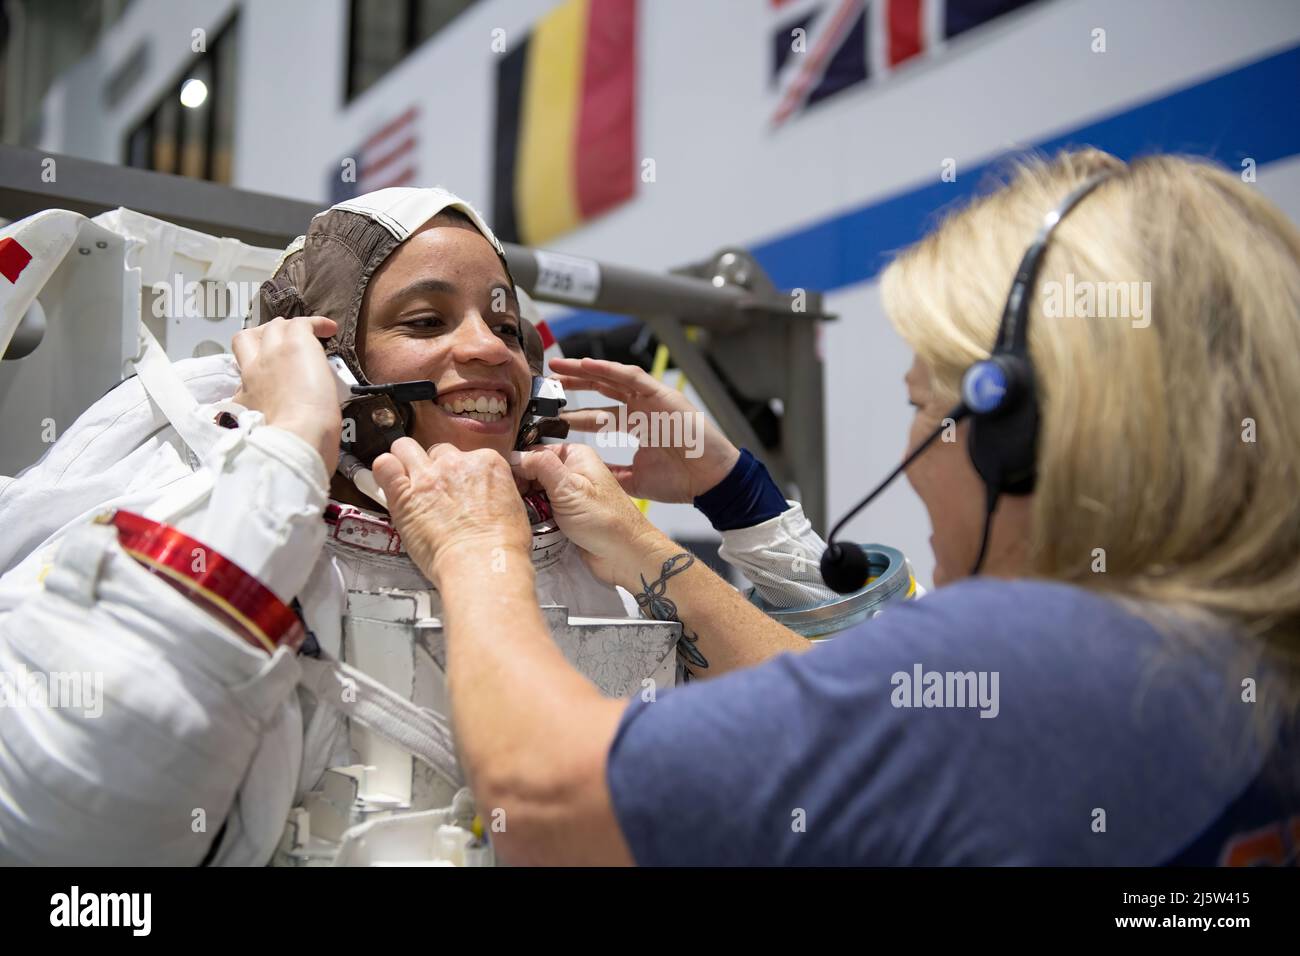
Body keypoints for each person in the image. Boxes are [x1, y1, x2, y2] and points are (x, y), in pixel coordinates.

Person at [368, 150, 1300, 865]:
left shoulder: (1034, 659)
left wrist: (476, 553)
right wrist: (711, 499)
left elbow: (543, 794)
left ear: (1017, 427)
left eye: (919, 410)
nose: (484, 351)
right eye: (422, 322)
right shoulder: (1233, 652)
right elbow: (843, 696)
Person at [0, 186, 840, 865]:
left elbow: (858, 749)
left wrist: (739, 495)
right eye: (427, 321)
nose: (490, 349)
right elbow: (83, 821)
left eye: (507, 325)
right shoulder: (203, 522)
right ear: (325, 363)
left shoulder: (598, 549)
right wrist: (284, 457)